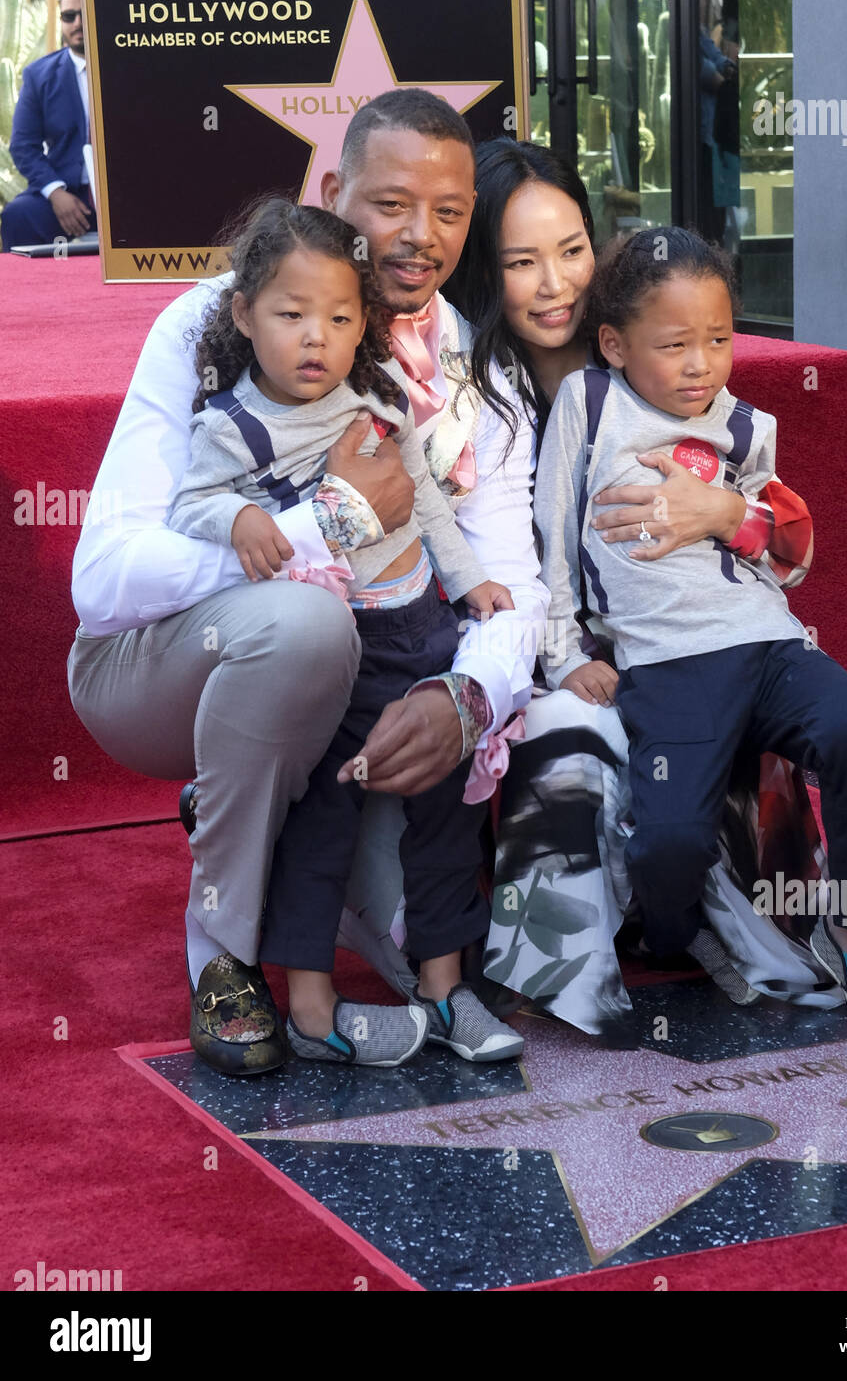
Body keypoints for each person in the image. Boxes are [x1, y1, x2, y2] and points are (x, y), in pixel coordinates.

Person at [68, 89, 549, 1075]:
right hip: (161, 665)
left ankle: (264, 792)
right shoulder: (216, 321)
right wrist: (327, 523)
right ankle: (223, 956)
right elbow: (105, 581)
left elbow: (510, 582)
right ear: (334, 193)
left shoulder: (466, 367)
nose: (419, 237)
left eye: (448, 212)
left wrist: (468, 696)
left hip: (375, 678)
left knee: (436, 947)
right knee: (303, 627)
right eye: (390, 204)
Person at [534, 224, 847, 1041]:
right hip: (666, 662)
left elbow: (791, 556)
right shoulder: (591, 403)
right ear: (614, 344)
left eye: (717, 339)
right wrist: (563, 652)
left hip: (768, 640)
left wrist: (726, 511)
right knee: (668, 845)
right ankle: (677, 934)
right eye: (674, 344)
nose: (700, 364)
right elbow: (552, 533)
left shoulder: (746, 426)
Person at [170, 196, 523, 1065]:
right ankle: (312, 1005)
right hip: (337, 649)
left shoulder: (374, 396)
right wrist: (237, 520)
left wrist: (467, 579)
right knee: (320, 820)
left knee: (445, 811)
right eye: (291, 315)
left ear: (363, 323)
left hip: (422, 629)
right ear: (244, 315)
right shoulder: (232, 426)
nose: (315, 339)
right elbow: (189, 504)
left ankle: (445, 989)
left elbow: (424, 495)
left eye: (337, 318)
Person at [1, 0, 96, 252]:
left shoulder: (126, 69)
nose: (77, 23)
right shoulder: (39, 76)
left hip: (120, 194)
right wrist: (55, 192)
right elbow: (23, 146)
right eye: (69, 16)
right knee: (18, 215)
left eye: (85, 15)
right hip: (67, 192)